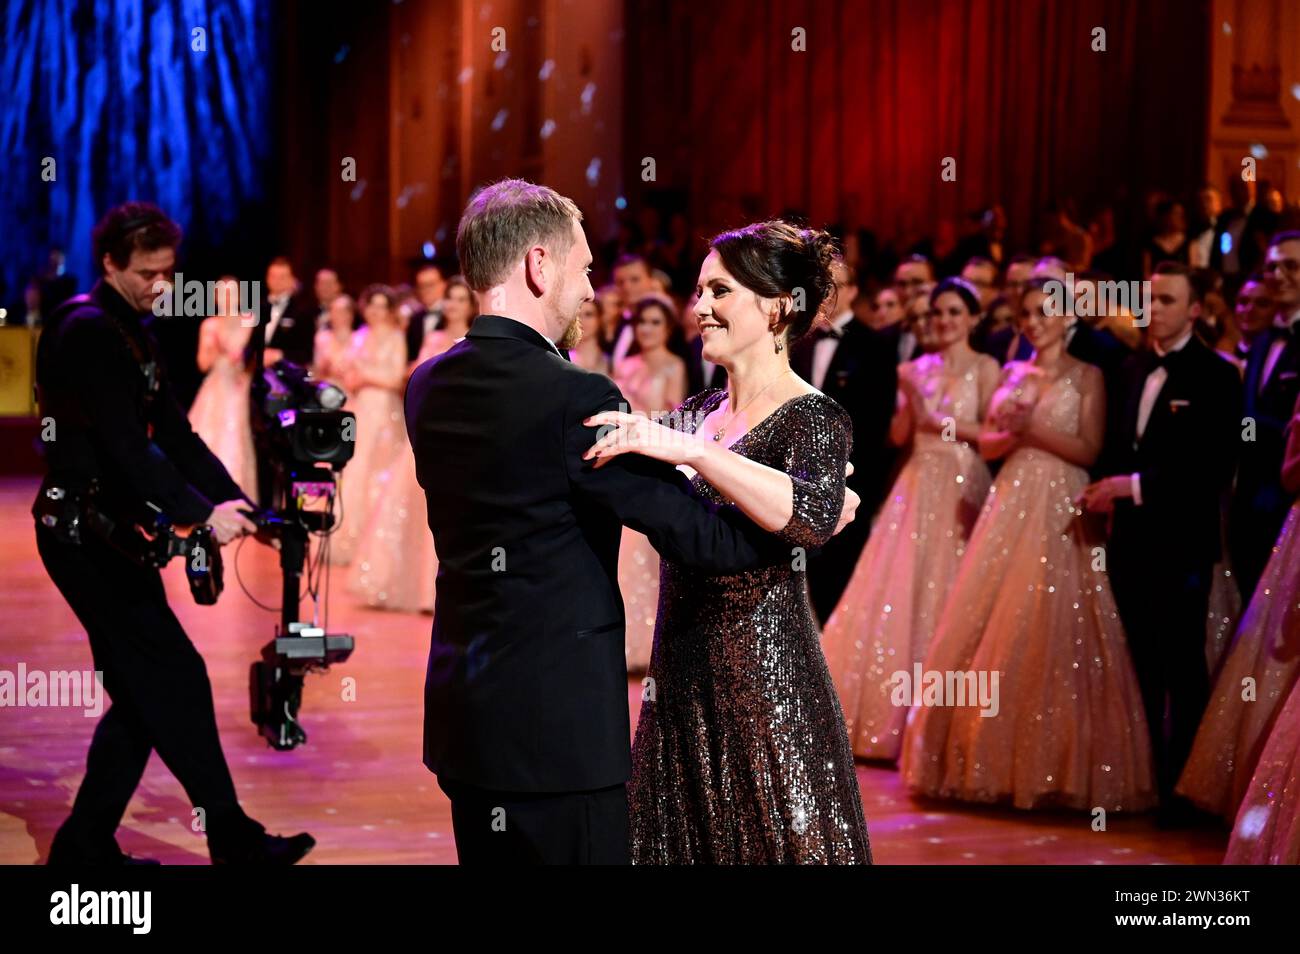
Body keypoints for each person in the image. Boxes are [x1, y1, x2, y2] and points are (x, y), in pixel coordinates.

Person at [405, 181, 828, 865]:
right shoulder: (573, 396)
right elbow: (704, 537)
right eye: (583, 269)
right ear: (539, 267)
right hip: (558, 738)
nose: (589, 290)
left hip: (466, 720)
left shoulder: (427, 384)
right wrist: (810, 513)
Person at [32, 202, 312, 865]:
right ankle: (229, 835)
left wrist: (242, 508)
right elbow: (129, 450)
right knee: (172, 677)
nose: (162, 285)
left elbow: (179, 438)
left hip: (106, 532)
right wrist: (198, 512)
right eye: (148, 273)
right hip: (81, 535)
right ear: (110, 263)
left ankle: (85, 843)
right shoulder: (89, 331)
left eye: (167, 273)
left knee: (144, 689)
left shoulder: (132, 330)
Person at [586, 220, 872, 863]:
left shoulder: (813, 415)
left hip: (766, 688)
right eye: (697, 292)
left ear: (776, 307)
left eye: (719, 291)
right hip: (681, 675)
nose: (700, 308)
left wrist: (693, 452)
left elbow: (810, 516)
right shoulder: (698, 409)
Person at [900, 277, 1155, 812]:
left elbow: (1088, 447)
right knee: (995, 612)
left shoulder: (1089, 376)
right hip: (1011, 495)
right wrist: (1008, 431)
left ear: (1068, 318)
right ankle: (979, 755)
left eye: (1044, 312)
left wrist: (1030, 428)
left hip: (1060, 497)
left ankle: (1058, 761)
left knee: (1058, 617)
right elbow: (991, 443)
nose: (1034, 322)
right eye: (1027, 315)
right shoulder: (1013, 372)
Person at [1080, 262, 1243, 822]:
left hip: (1182, 544)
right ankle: (1146, 779)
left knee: (1183, 665)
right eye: (1150, 299)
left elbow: (1214, 467)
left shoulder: (1218, 376)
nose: (1156, 309)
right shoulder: (1129, 368)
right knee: (1138, 664)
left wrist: (1133, 486)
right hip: (1130, 542)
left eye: (1169, 300)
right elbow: (1115, 447)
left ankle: (1186, 790)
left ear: (1196, 309)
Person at [822, 278, 998, 761]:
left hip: (963, 477)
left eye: (954, 313)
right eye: (937, 313)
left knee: (952, 587)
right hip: (917, 482)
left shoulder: (986, 367)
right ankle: (889, 723)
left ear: (974, 319)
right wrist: (911, 406)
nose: (943, 321)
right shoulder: (912, 368)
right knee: (900, 587)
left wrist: (936, 417)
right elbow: (897, 434)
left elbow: (991, 433)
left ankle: (943, 728)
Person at [349, 277, 478, 612]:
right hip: (427, 428)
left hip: (457, 432)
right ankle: (415, 588)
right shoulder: (433, 337)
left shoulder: (476, 341)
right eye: (450, 299)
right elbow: (418, 378)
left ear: (471, 305)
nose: (453, 305)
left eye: (460, 300)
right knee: (414, 507)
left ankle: (438, 592)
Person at [612, 294, 687, 670]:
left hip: (653, 461)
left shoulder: (675, 366)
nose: (647, 329)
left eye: (655, 322)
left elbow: (679, 422)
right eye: (642, 322)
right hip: (620, 462)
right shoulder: (623, 364)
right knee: (621, 556)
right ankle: (621, 645)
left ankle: (652, 648)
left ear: (668, 328)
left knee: (647, 556)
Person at [328, 285, 409, 566]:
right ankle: (349, 537)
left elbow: (396, 377)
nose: (375, 311)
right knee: (354, 467)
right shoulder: (359, 336)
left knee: (379, 468)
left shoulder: (396, 337)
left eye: (381, 306)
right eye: (371, 305)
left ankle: (375, 543)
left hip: (384, 407)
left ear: (389, 310)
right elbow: (344, 369)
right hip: (359, 406)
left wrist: (366, 376)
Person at [188, 276, 257, 500]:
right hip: (216, 386)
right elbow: (202, 364)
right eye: (222, 294)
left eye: (232, 293)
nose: (227, 298)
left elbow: (249, 358)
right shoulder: (209, 325)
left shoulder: (248, 319)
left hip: (238, 388)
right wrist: (213, 348)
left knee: (234, 438)